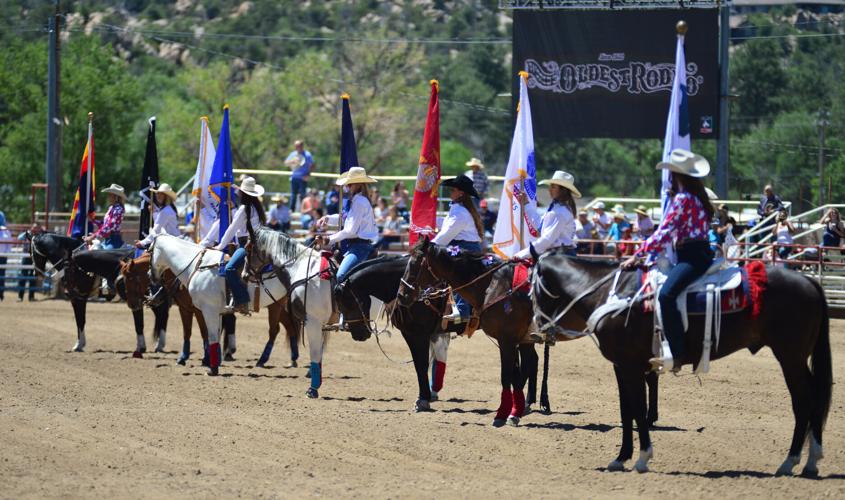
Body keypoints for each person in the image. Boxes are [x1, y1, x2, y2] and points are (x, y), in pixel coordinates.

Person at [622, 149, 714, 373]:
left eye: (671, 173)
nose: (669, 178)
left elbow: (664, 232)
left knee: (666, 294)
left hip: (692, 257)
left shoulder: (683, 199)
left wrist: (639, 253)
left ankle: (677, 352)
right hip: (697, 254)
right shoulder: (695, 197)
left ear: (676, 175)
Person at [207, 176, 265, 315]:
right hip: (258, 244)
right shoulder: (256, 207)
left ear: (243, 193)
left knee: (230, 269)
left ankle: (242, 300)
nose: (238, 193)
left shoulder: (244, 208)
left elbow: (232, 228)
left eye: (240, 191)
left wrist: (220, 246)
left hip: (247, 245)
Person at [431, 175, 484, 324]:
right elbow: (447, 224)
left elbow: (445, 235)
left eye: (453, 190)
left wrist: (428, 247)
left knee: (455, 273)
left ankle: (462, 311)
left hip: (465, 250)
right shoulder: (460, 209)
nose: (450, 192)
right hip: (463, 248)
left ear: (461, 193)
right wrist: (428, 219)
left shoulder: (460, 212)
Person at [316, 167, 379, 283]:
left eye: (350, 184)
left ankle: (356, 301)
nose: (347, 187)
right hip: (356, 246)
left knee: (341, 276)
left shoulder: (359, 202)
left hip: (360, 247)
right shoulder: (357, 200)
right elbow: (346, 219)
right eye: (347, 184)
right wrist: (328, 218)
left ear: (358, 185)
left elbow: (350, 230)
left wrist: (328, 239)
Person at [514, 170, 580, 260]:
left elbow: (547, 239)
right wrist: (526, 203)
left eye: (553, 187)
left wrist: (521, 254)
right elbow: (540, 224)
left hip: (559, 257)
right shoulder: (557, 209)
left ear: (563, 190)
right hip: (559, 254)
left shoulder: (559, 212)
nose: (549, 189)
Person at [136, 183, 179, 248]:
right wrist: (153, 213)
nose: (157, 195)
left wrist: (142, 242)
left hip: (171, 243)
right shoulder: (168, 209)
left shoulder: (165, 211)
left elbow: (157, 229)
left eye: (161, 194)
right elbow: (159, 222)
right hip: (173, 240)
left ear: (166, 196)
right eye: (157, 193)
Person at [84, 184, 126, 249]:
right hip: (107, 240)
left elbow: (109, 226)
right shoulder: (111, 208)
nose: (108, 197)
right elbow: (104, 224)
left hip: (114, 241)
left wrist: (93, 236)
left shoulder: (119, 209)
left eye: (110, 195)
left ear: (116, 197)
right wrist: (93, 220)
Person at [285, 140, 315, 211]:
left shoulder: (307, 155)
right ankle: (292, 210)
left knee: (303, 195)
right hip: (294, 177)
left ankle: (303, 210)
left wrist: (308, 175)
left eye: (298, 146)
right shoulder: (293, 154)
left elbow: (312, 165)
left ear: (302, 146)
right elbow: (286, 163)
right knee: (293, 195)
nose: (296, 147)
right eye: (296, 146)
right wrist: (292, 162)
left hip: (303, 178)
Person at [17, 223, 42, 301]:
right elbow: (19, 238)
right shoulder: (27, 234)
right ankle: (20, 296)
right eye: (34, 228)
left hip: (34, 259)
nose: (35, 229)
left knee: (33, 278)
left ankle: (31, 297)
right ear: (31, 228)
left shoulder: (40, 236)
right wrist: (27, 232)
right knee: (23, 277)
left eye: (37, 228)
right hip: (26, 257)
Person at [0, 212, 9, 301]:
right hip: (3, 255)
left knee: (2, 275)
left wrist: (7, 253)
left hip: (2, 256)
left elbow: (8, 244)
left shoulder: (5, 231)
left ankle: (1, 294)